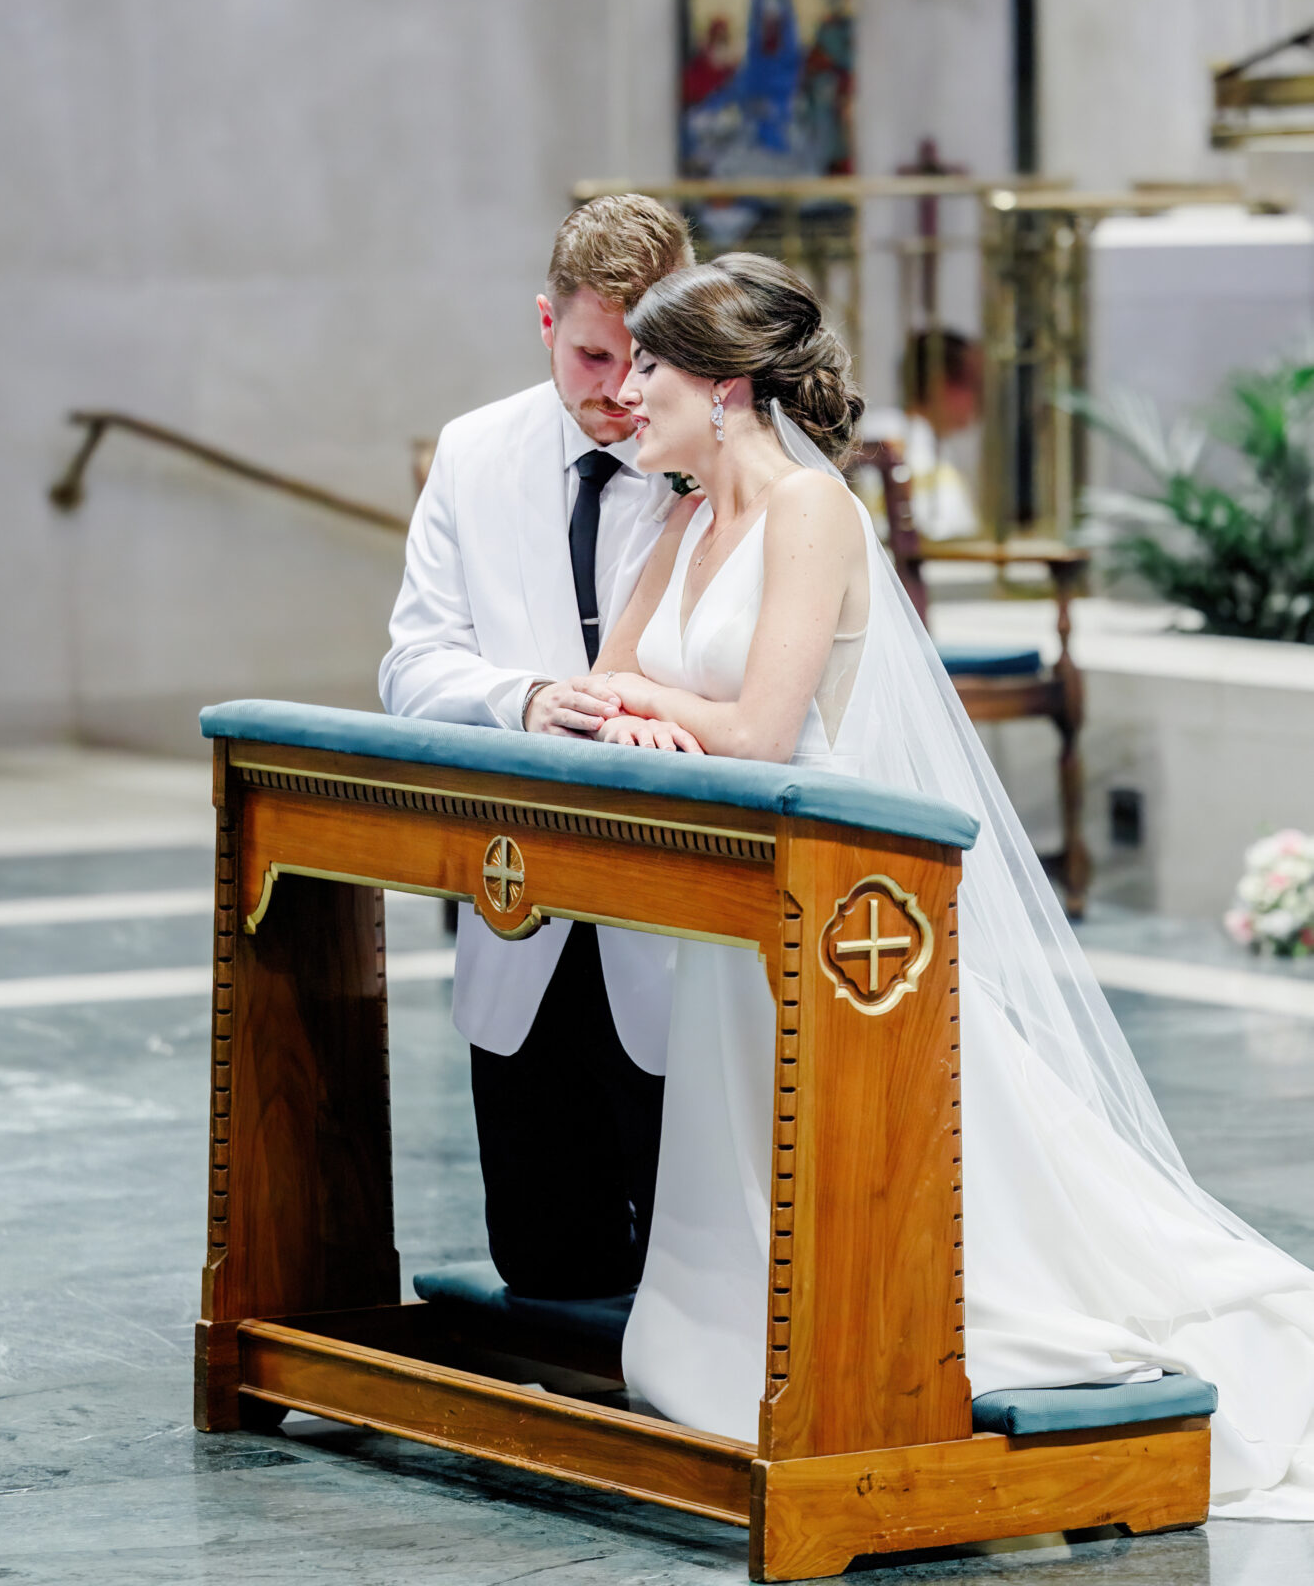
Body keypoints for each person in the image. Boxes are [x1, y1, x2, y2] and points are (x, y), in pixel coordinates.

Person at [582, 250, 1314, 1517]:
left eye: (649, 362)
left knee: (946, 1196)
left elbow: (760, 728)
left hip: (820, 882)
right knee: (736, 1176)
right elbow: (604, 677)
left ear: (731, 387)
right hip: (724, 888)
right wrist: (633, 703)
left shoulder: (813, 515)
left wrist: (647, 703)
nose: (626, 390)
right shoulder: (680, 516)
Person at [378, 194, 699, 1300]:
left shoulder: (715, 458)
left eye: (647, 356)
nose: (619, 389)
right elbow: (411, 666)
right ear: (545, 323)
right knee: (545, 1265)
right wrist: (522, 700)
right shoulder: (474, 454)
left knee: (692, 1269)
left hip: (681, 916)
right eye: (593, 353)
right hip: (520, 910)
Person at [859, 326, 983, 542]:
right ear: (940, 384)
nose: (981, 398)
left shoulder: (927, 440)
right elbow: (940, 535)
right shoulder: (894, 437)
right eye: (973, 384)